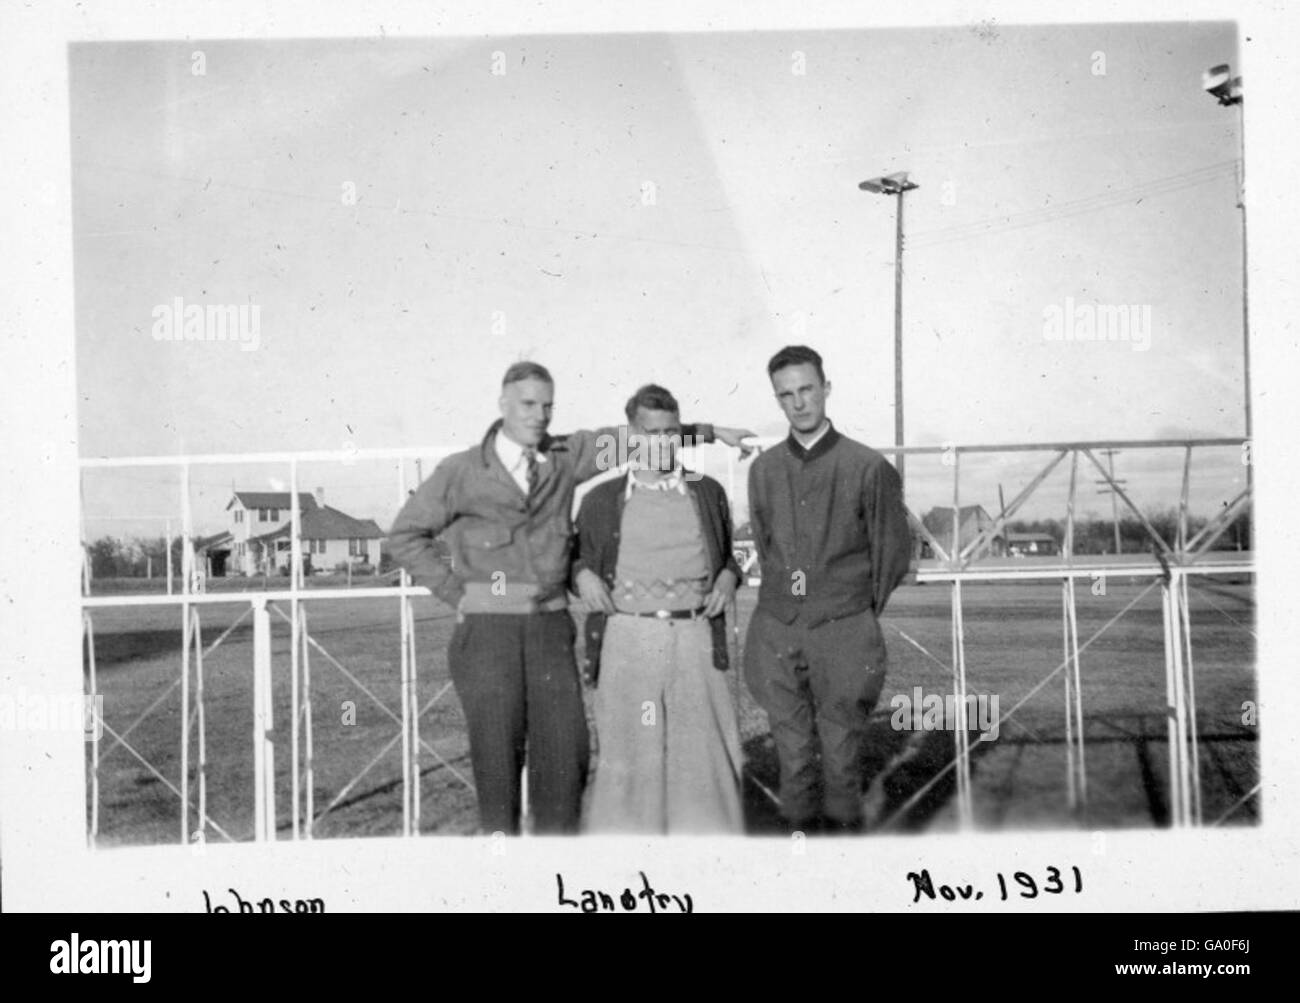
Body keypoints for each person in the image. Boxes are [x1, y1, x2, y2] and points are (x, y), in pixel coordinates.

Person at [388, 361, 752, 835]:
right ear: (502, 404)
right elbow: (405, 536)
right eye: (527, 404)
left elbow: (641, 436)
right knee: (498, 764)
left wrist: (708, 431)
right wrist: (459, 594)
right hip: (488, 632)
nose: (538, 415)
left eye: (547, 405)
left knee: (567, 759)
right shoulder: (460, 471)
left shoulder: (565, 457)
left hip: (549, 629)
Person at [744, 346, 912, 834]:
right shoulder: (765, 470)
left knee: (841, 762)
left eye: (807, 390)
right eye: (786, 395)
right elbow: (765, 540)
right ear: (778, 401)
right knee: (792, 760)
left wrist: (850, 608)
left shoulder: (867, 466)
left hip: (843, 628)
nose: (798, 403)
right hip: (777, 628)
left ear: (826, 389)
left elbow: (890, 554)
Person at [572, 385, 745, 834]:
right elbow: (572, 556)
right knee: (629, 758)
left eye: (672, 432)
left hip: (695, 636)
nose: (663, 443)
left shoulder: (706, 492)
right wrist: (581, 575)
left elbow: (726, 556)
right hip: (627, 637)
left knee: (704, 758)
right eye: (651, 433)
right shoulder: (600, 499)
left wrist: (729, 576)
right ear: (630, 435)